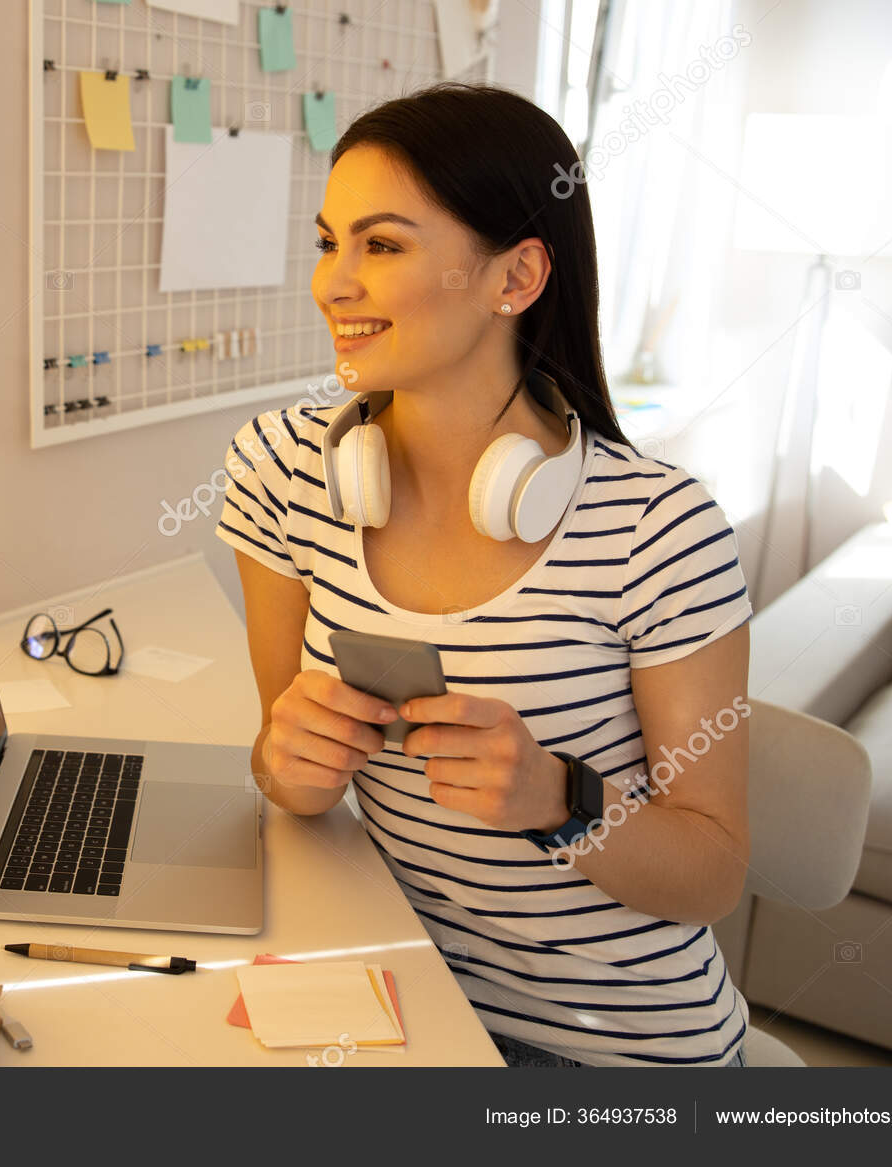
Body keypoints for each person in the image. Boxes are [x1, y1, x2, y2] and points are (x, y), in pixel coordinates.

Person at [216, 83, 751, 1067]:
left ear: (516, 275)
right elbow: (286, 777)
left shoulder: (658, 527)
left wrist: (557, 797)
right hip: (400, 1000)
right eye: (329, 242)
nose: (331, 283)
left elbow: (713, 870)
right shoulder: (284, 470)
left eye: (382, 245)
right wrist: (287, 762)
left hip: (613, 1048)